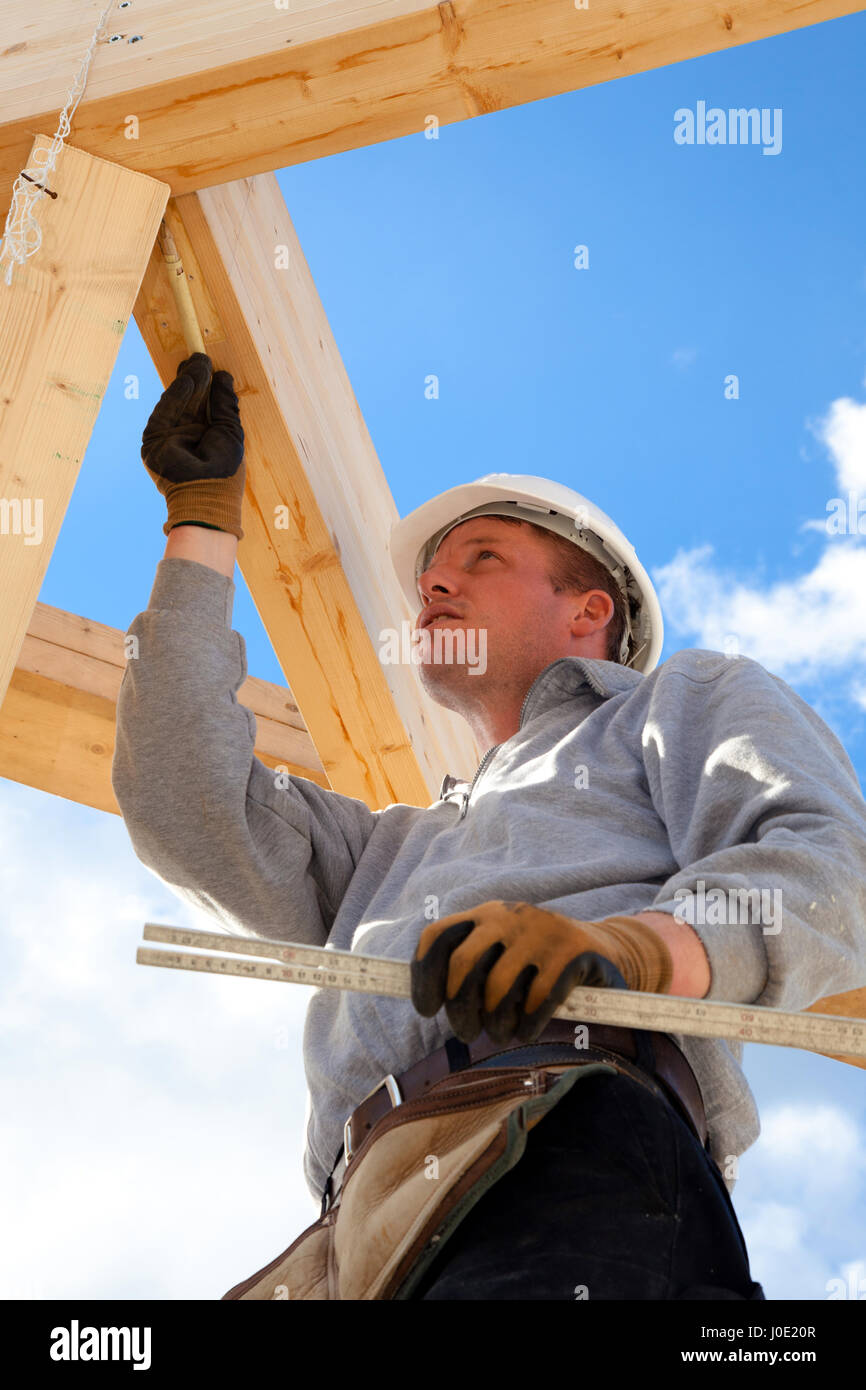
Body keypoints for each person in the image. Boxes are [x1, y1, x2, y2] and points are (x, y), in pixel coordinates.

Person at [113, 353, 866, 1299]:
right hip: (361, 1223)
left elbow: (829, 867)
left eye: (482, 559)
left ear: (589, 609)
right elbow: (187, 810)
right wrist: (201, 526)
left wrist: (625, 951)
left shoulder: (682, 699)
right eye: (429, 575)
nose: (433, 585)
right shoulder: (394, 846)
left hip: (561, 1144)